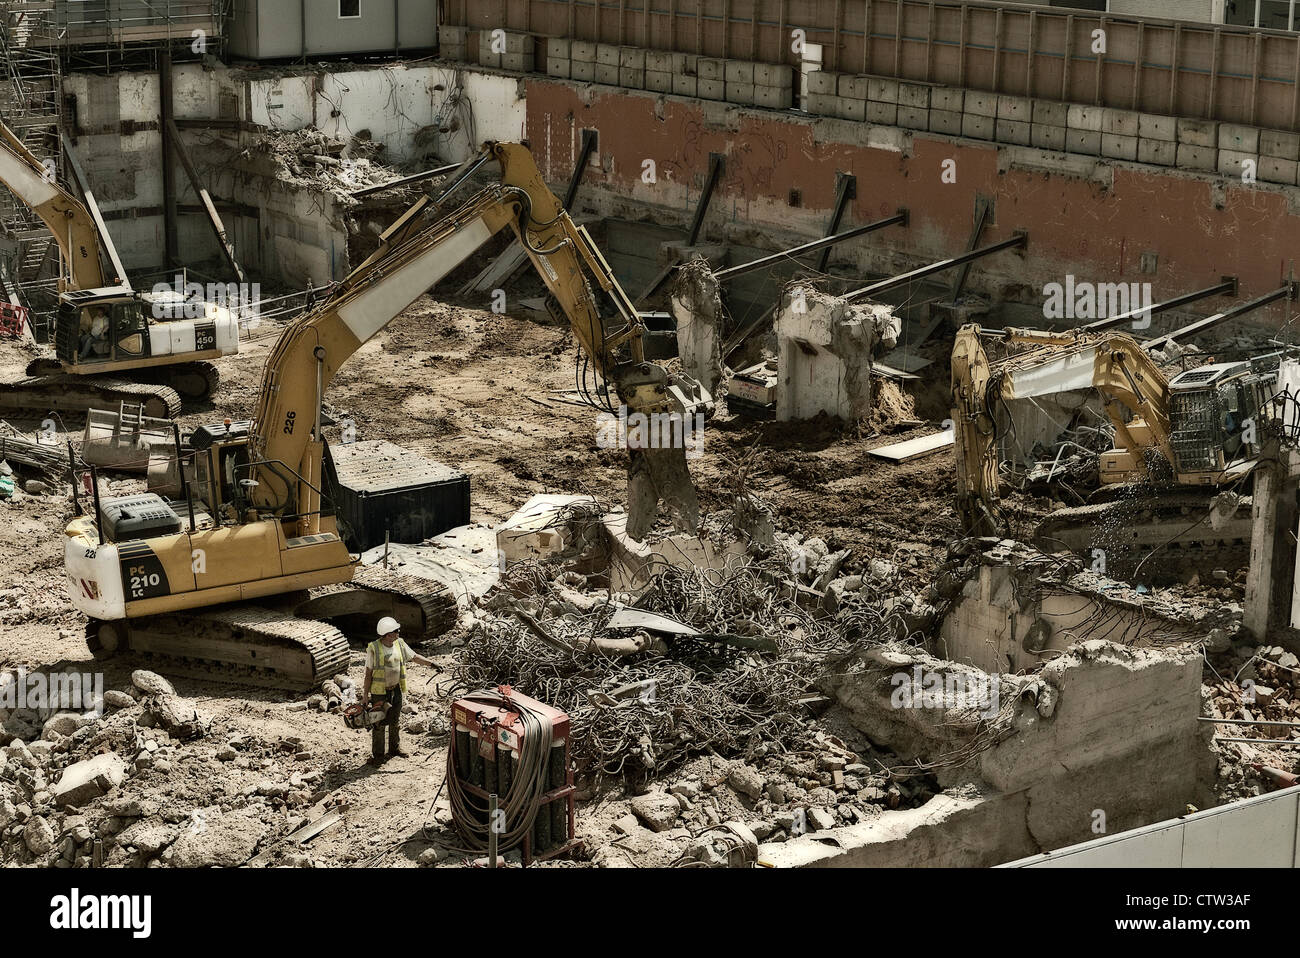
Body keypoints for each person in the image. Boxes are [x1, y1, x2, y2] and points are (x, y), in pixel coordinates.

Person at [360, 616, 437, 766]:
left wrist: (432, 664)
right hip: (380, 692)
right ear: (388, 634)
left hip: (396, 690)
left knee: (395, 720)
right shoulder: (374, 648)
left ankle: (394, 749)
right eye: (396, 631)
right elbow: (368, 674)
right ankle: (378, 755)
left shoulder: (399, 644)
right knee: (379, 723)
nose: (398, 633)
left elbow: (414, 657)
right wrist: (365, 696)